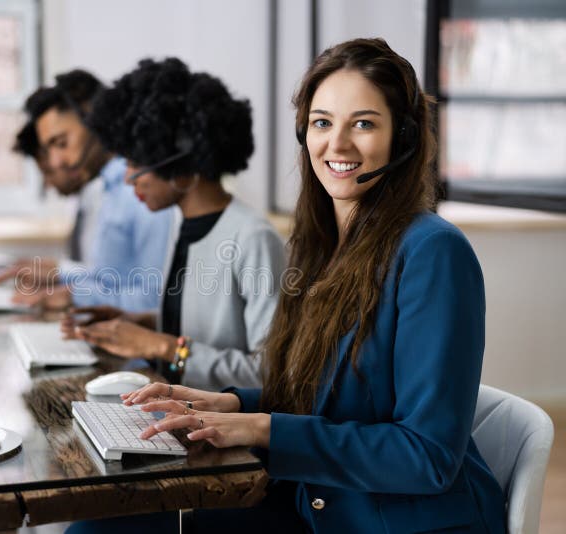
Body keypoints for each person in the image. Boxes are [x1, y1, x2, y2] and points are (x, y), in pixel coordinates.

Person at [67, 39, 506, 533]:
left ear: (401, 138)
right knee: (102, 524)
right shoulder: (321, 246)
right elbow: (323, 401)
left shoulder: (433, 252)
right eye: (322, 122)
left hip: (389, 520)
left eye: (363, 123)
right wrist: (231, 403)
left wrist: (260, 427)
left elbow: (427, 456)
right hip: (318, 501)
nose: (336, 145)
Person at [61, 58, 285, 392]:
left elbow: (269, 375)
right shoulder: (182, 224)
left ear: (183, 164)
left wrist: (160, 346)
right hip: (178, 408)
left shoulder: (253, 239)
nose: (127, 177)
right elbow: (209, 330)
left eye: (136, 162)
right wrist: (142, 324)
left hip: (229, 436)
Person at [0, 69, 173, 312]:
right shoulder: (108, 189)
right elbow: (111, 279)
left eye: (61, 143)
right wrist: (62, 277)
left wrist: (76, 295)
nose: (56, 162)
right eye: (50, 151)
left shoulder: (142, 190)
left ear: (94, 118)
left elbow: (155, 299)